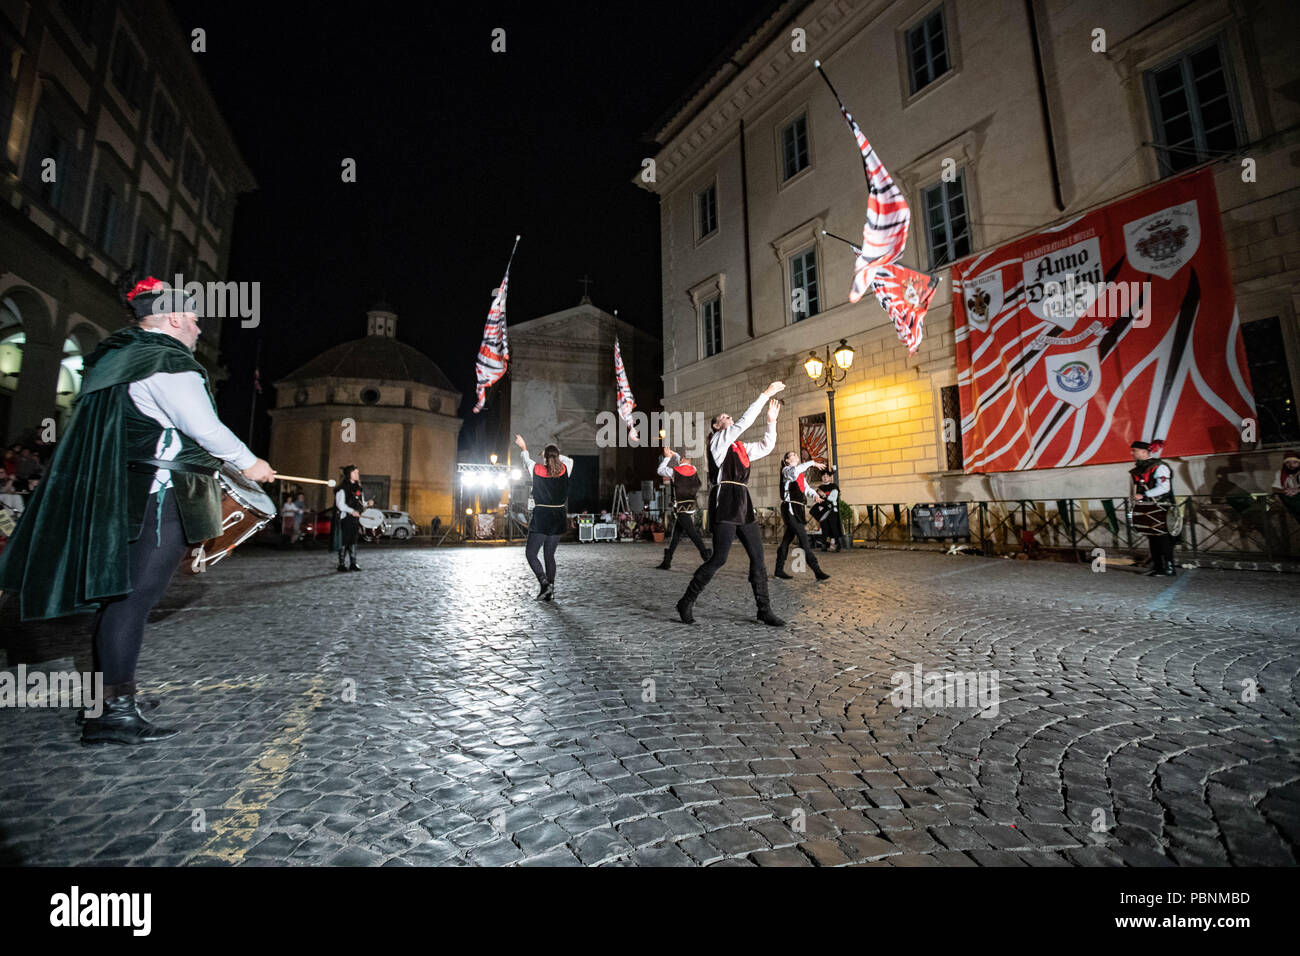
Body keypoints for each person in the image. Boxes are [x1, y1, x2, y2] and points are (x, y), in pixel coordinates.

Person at [0, 274, 275, 744]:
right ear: (170, 317)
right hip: (160, 493)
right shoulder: (166, 361)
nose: (197, 327)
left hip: (131, 491)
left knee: (121, 600)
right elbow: (203, 428)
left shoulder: (124, 356)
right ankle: (113, 713)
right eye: (191, 317)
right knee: (132, 602)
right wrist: (252, 464)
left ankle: (109, 698)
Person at [676, 382, 786, 626]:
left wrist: (771, 421)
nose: (729, 418)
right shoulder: (718, 443)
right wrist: (764, 395)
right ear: (717, 426)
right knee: (719, 558)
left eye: (729, 416)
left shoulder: (740, 447)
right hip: (725, 500)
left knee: (758, 556)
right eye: (724, 417)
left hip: (743, 502)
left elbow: (767, 446)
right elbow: (743, 423)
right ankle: (686, 600)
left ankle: (764, 609)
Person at [515, 434, 573, 600]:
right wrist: (553, 453)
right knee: (549, 555)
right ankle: (550, 589)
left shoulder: (536, 470)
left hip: (542, 517)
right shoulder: (565, 469)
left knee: (531, 554)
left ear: (545, 458)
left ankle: (544, 583)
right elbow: (569, 460)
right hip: (558, 516)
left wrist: (524, 447)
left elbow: (526, 459)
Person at [774, 452, 830, 580]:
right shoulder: (786, 470)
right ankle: (817, 571)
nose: (796, 456)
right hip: (789, 509)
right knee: (804, 538)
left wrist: (815, 495)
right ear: (787, 460)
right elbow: (794, 472)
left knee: (786, 541)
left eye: (795, 455)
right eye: (792, 455)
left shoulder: (800, 474)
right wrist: (812, 463)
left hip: (797, 509)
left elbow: (806, 488)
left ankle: (778, 569)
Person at [655, 446, 711, 569]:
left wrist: (667, 457)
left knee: (692, 533)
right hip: (691, 505)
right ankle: (667, 561)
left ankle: (706, 556)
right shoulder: (693, 469)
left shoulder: (674, 471)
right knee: (676, 535)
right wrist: (675, 456)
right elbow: (685, 463)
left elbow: (660, 470)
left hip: (681, 507)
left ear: (682, 460)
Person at [1128, 439, 1176, 576]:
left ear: (1144, 452)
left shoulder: (1160, 467)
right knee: (1152, 538)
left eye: (1134, 451)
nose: (1132, 453)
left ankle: (1169, 567)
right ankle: (1158, 567)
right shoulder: (1138, 469)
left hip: (1161, 507)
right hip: (1148, 507)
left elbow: (1164, 487)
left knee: (1163, 538)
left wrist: (1144, 495)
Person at [334, 466, 369, 571]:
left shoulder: (358, 488)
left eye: (358, 472)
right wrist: (351, 511)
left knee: (353, 540)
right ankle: (341, 564)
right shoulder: (342, 488)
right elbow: (340, 505)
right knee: (345, 541)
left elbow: (361, 503)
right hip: (345, 518)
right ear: (349, 474)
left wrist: (368, 504)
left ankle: (353, 563)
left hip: (355, 519)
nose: (357, 474)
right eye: (355, 473)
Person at [816, 465, 843, 551]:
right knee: (824, 527)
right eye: (823, 476)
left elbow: (833, 498)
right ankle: (824, 545)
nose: (825, 478)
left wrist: (823, 495)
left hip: (832, 510)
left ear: (830, 477)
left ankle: (837, 545)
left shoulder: (834, 486)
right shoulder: (820, 488)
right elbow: (817, 499)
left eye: (827, 476)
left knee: (833, 527)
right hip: (823, 510)